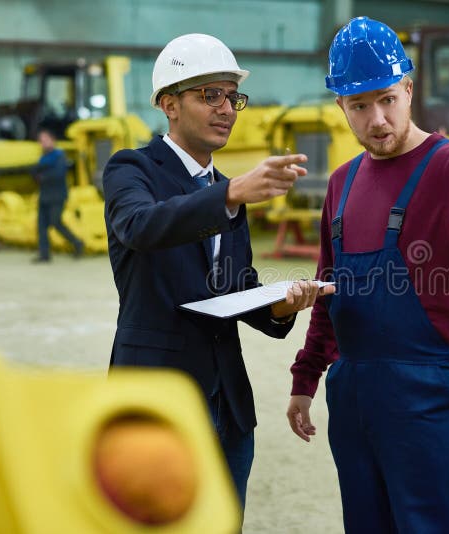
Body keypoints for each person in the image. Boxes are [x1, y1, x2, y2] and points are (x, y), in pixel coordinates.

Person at [286, 17, 449, 533]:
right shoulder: (341, 183)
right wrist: (306, 376)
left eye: (387, 99)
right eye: (359, 105)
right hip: (353, 392)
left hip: (429, 393)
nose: (376, 119)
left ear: (408, 88)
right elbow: (330, 289)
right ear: (341, 107)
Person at [102, 33, 334, 512]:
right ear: (169, 104)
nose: (227, 108)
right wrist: (228, 197)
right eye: (211, 95)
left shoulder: (227, 190)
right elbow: (142, 226)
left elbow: (233, 284)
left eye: (233, 96)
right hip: (158, 398)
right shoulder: (132, 171)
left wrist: (278, 305)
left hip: (227, 402)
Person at [32, 127, 84, 262]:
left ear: (52, 140)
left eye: (45, 140)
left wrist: (42, 177)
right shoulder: (43, 158)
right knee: (41, 226)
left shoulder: (59, 156)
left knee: (56, 223)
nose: (42, 143)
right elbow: (34, 174)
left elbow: (58, 174)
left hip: (57, 196)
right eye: (40, 141)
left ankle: (77, 243)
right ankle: (44, 255)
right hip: (44, 196)